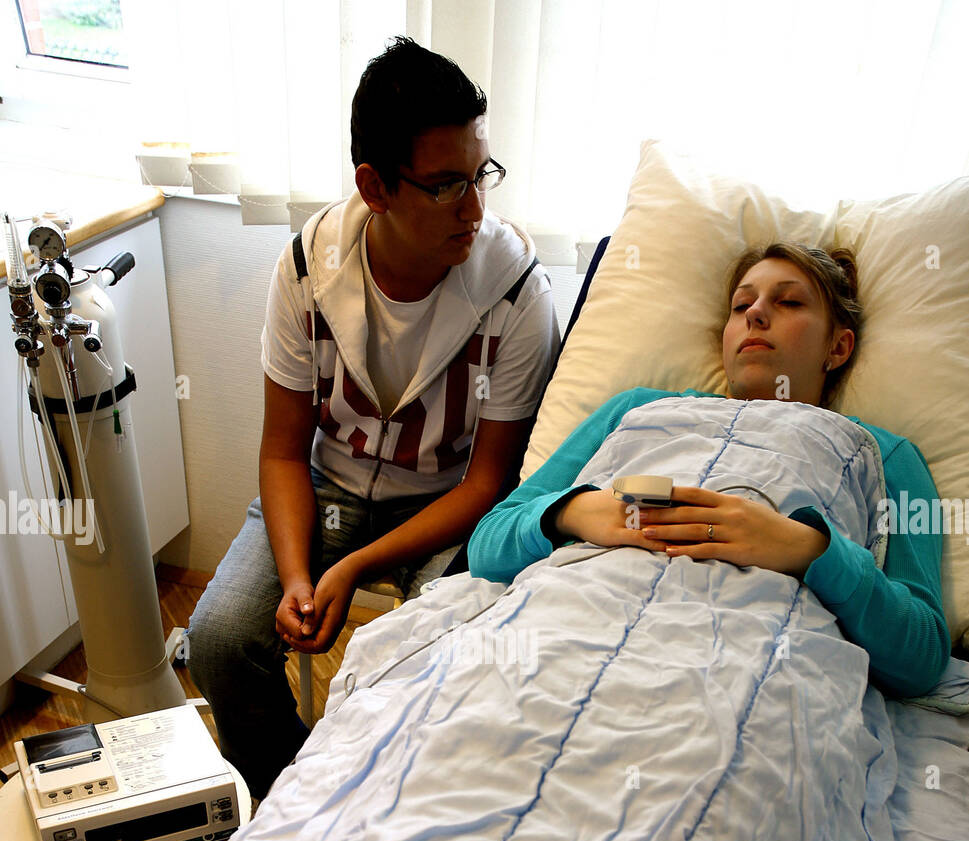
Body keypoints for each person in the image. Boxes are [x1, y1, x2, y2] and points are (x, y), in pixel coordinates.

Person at [188, 37, 560, 800]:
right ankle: (299, 807)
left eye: (481, 173)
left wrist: (352, 566)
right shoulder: (303, 268)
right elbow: (285, 453)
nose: (476, 207)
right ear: (375, 185)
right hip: (325, 487)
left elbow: (491, 480)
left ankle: (378, 810)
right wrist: (298, 574)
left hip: (447, 505)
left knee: (437, 650)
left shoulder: (517, 292)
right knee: (219, 642)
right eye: (446, 184)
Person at [467, 243, 950, 699]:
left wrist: (808, 550)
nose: (756, 314)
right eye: (741, 307)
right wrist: (574, 513)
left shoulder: (883, 454)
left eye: (788, 303)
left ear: (838, 348)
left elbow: (923, 655)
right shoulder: (636, 409)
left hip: (750, 665)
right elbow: (486, 545)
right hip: (565, 628)